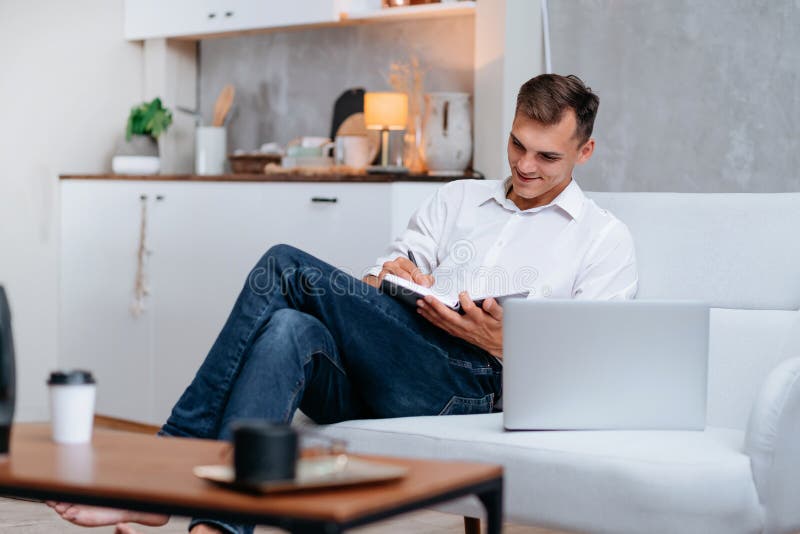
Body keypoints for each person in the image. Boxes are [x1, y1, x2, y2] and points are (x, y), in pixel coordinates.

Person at [48, 73, 637, 534]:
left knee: (282, 263)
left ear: (584, 153)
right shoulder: (458, 199)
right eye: (516, 144)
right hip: (386, 359)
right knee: (285, 328)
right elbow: (380, 273)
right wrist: (391, 276)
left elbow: (599, 373)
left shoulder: (602, 239)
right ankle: (217, 526)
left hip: (471, 387)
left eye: (547, 157)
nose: (525, 166)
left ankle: (159, 479)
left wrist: (505, 343)